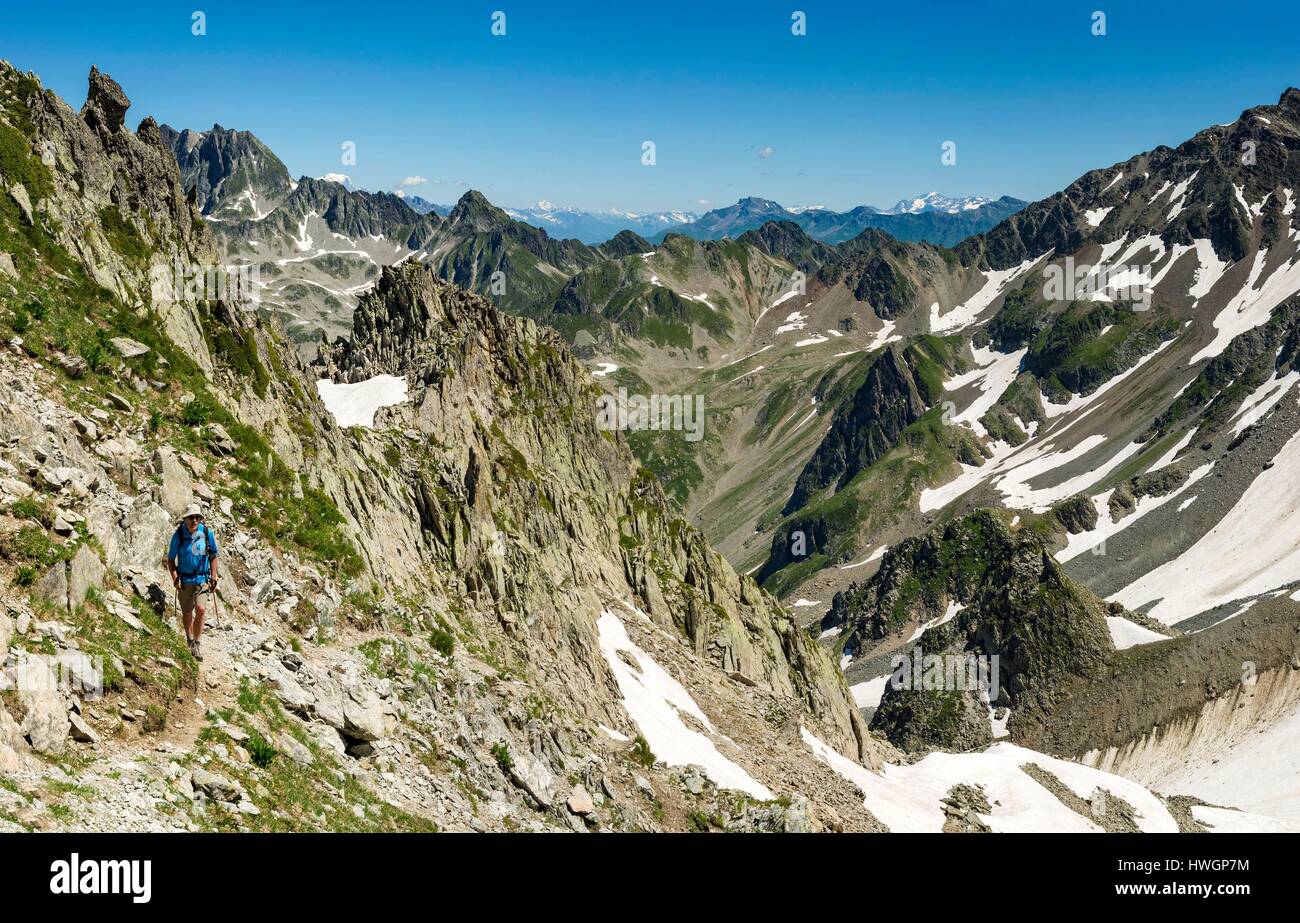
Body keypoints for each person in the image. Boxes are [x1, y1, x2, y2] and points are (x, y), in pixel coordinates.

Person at [165, 504, 220, 662]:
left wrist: (214, 577)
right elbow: (170, 559)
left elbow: (213, 556)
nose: (195, 520)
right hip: (185, 580)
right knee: (187, 613)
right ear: (185, 519)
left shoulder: (206, 532)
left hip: (202, 578)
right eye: (191, 517)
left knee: (201, 609)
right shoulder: (179, 535)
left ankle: (196, 643)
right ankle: (189, 639)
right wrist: (175, 577)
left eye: (197, 517)